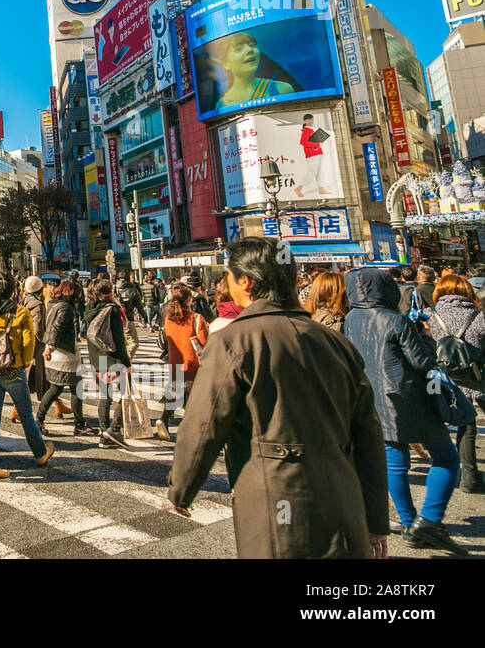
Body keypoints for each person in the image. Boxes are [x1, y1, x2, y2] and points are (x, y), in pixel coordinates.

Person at [168, 238, 388, 558]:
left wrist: (181, 488)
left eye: (229, 274)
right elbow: (368, 434)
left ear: (246, 281)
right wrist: (376, 519)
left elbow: (204, 425)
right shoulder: (336, 342)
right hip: (344, 500)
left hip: (276, 500)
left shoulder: (234, 341)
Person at [343, 266, 467, 556]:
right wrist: (424, 335)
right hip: (411, 400)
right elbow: (423, 363)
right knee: (447, 458)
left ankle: (410, 522)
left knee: (395, 463)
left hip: (374, 401)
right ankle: (431, 520)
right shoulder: (395, 320)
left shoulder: (351, 319)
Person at [0, 273, 53, 481]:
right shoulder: (21, 312)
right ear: (12, 291)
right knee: (26, 414)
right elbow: (29, 342)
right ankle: (40, 453)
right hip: (15, 370)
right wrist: (24, 363)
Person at [427, 273, 485, 494]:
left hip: (450, 378)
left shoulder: (433, 316)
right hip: (479, 376)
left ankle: (469, 477)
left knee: (466, 427)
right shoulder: (478, 315)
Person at [36, 280, 91, 436]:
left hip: (55, 354)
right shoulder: (66, 308)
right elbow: (57, 328)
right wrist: (50, 346)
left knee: (55, 388)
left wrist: (49, 347)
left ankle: (38, 420)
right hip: (64, 354)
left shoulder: (53, 304)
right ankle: (79, 424)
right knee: (76, 389)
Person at [156, 285, 209, 442]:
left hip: (176, 363)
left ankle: (164, 419)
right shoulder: (196, 318)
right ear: (188, 299)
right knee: (194, 399)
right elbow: (205, 343)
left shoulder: (169, 319)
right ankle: (194, 431)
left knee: (177, 395)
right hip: (193, 364)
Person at [84, 277, 130, 449]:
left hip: (97, 360)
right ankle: (114, 429)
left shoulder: (89, 308)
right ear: (108, 292)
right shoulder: (112, 310)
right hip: (113, 359)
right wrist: (126, 362)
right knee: (127, 395)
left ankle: (104, 433)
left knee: (105, 397)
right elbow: (118, 339)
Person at [212, 31, 294, 110]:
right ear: (226, 63)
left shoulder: (283, 89)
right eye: (239, 49)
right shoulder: (222, 105)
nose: (249, 50)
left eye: (252, 45)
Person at [21, 276, 49, 413]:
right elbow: (38, 328)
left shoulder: (23, 301)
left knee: (26, 374)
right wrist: (45, 340)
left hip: (23, 341)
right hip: (36, 344)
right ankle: (44, 405)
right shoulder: (38, 305)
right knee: (40, 375)